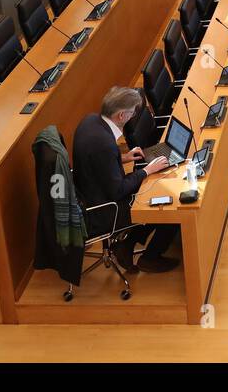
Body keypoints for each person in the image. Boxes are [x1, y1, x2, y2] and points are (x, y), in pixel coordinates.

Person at [72, 87, 179, 273]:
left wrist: (124, 157)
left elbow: (94, 160)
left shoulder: (90, 121)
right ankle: (150, 258)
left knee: (155, 190)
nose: (132, 116)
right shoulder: (104, 144)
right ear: (121, 115)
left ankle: (126, 245)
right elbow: (118, 191)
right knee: (166, 204)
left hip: (88, 190)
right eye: (132, 113)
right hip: (104, 208)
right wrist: (147, 170)